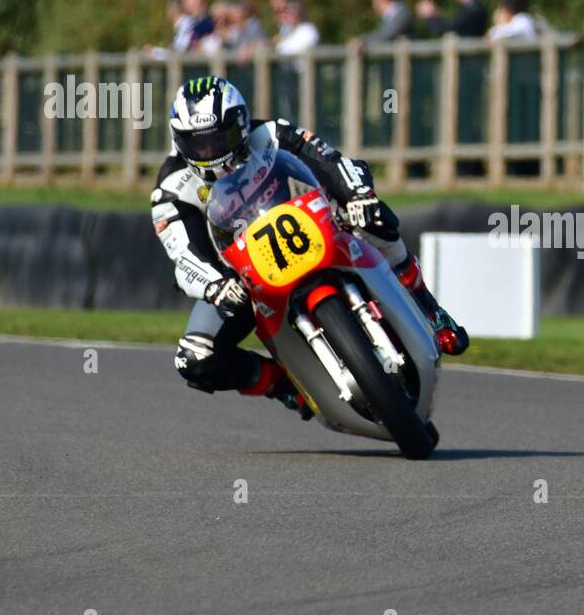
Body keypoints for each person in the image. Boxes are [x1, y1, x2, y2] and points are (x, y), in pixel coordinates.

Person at [151, 76, 468, 416]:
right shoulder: (171, 188)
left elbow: (330, 160)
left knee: (374, 217)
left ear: (241, 125)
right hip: (241, 277)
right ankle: (283, 385)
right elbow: (184, 252)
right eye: (199, 145)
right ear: (178, 141)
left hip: (313, 226)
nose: (211, 153)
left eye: (220, 139)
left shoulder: (271, 134)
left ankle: (429, 308)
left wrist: (358, 195)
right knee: (194, 357)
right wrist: (216, 283)